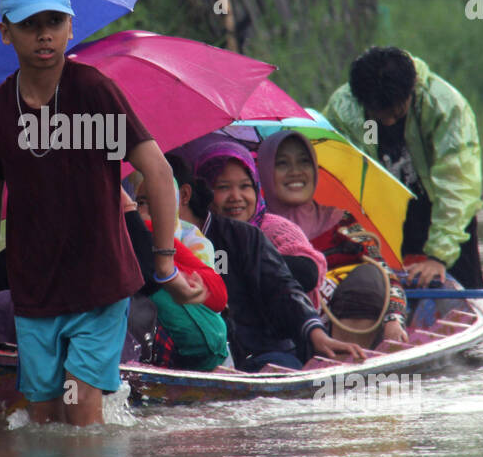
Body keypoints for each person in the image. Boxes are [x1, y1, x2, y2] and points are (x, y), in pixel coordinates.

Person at [0, 0, 199, 425]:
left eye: (54, 22)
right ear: (6, 32)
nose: (44, 34)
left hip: (100, 281)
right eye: (29, 24)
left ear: (71, 28)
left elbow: (157, 171)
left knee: (79, 404)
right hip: (35, 289)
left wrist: (163, 265)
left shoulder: (92, 92)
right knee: (42, 414)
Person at [167, 154, 366, 372]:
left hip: (261, 354)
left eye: (147, 199)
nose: (236, 197)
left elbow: (282, 287)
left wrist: (315, 333)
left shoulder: (244, 237)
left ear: (183, 194)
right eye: (139, 202)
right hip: (189, 362)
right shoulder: (148, 246)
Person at [323, 47, 483, 289]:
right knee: (379, 287)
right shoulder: (342, 110)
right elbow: (336, 178)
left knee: (463, 290)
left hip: (438, 207)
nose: (388, 121)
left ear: (413, 89)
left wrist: (438, 257)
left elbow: (458, 185)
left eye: (397, 113)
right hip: (381, 212)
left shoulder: (445, 106)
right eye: (379, 114)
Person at [257, 129, 408, 346]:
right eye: (282, 164)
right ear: (264, 172)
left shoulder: (340, 222)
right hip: (284, 339)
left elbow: (387, 277)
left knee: (368, 276)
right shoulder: (254, 230)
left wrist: (394, 321)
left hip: (352, 335)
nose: (296, 172)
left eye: (304, 162)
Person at [191, 140, 327, 306]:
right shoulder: (193, 235)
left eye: (245, 186)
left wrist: (244, 262)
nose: (236, 196)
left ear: (256, 187)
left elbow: (307, 273)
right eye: (223, 187)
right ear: (204, 192)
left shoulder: (276, 229)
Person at [129, 180, 229, 371]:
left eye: (160, 203)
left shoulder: (191, 239)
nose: (149, 211)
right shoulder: (133, 229)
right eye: (141, 202)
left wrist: (166, 269)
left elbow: (218, 296)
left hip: (195, 350)